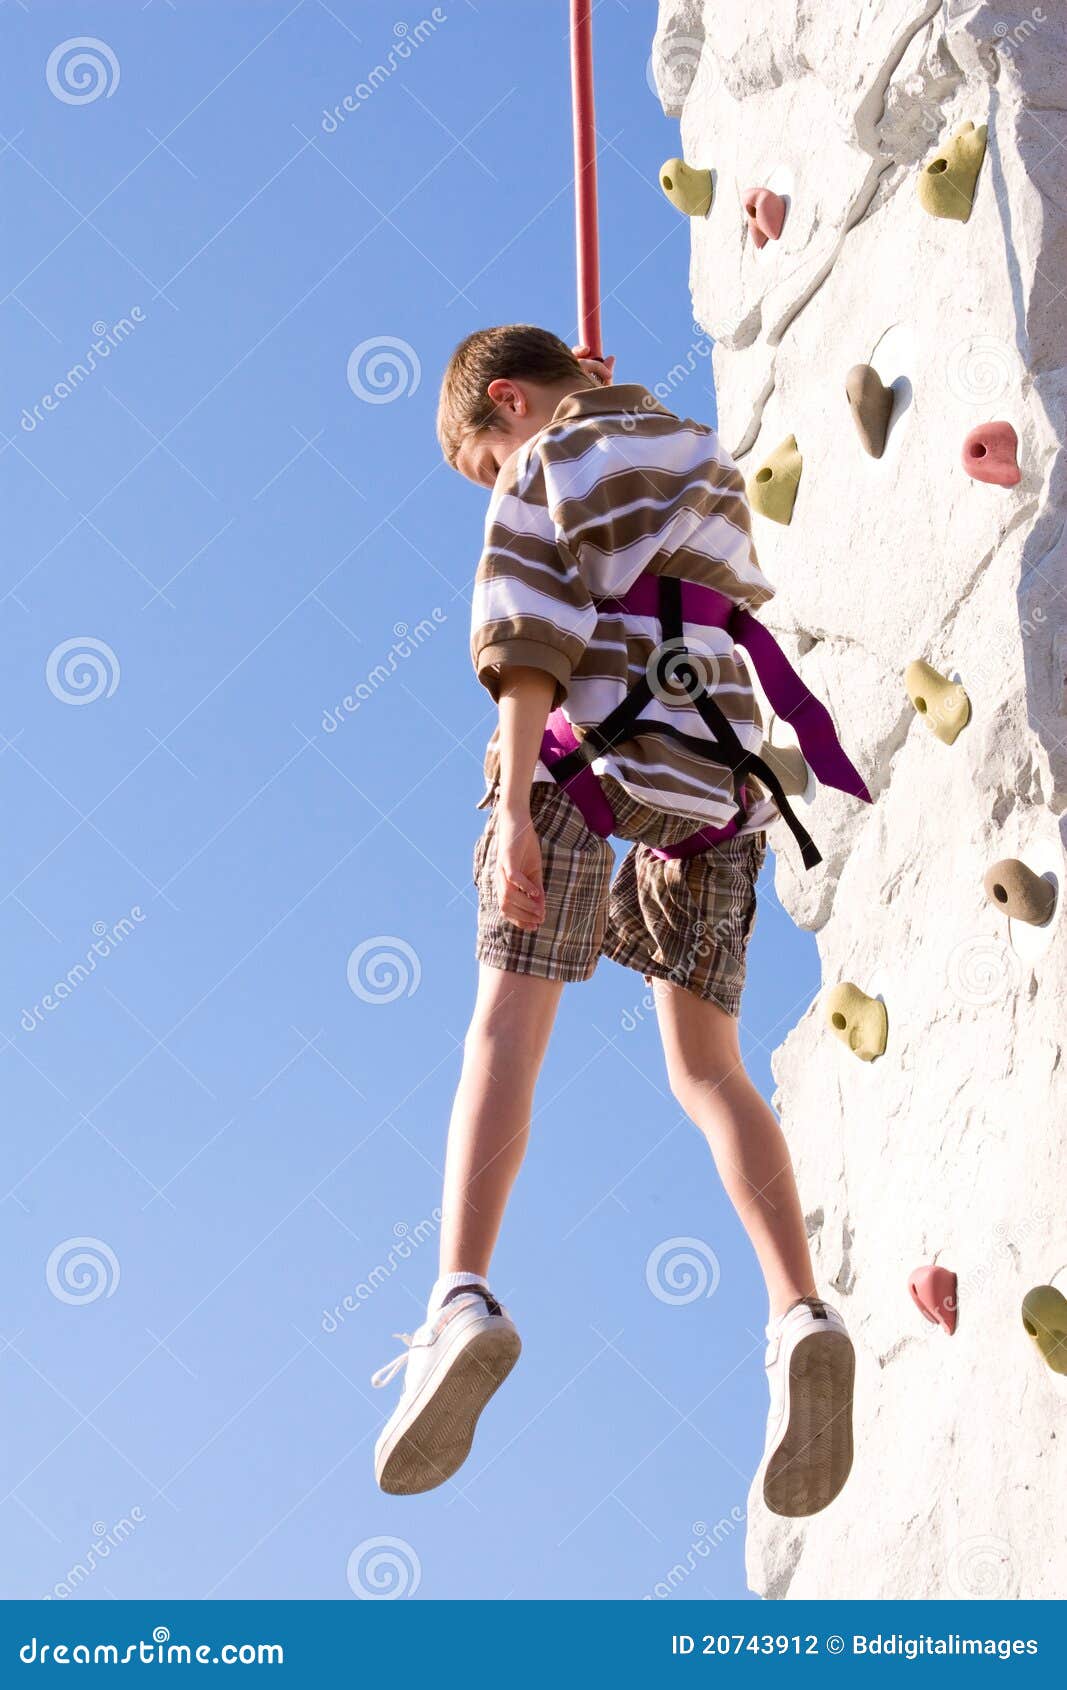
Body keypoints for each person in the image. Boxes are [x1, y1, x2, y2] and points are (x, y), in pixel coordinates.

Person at [371, 326, 854, 1518]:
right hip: (720, 787)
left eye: (487, 459)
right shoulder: (693, 448)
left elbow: (525, 632)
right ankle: (797, 1307)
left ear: (508, 404)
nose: (497, 480)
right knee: (707, 1070)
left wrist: (520, 816)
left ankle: (459, 1297)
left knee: (505, 1029)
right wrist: (594, 394)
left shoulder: (543, 468)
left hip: (585, 755)